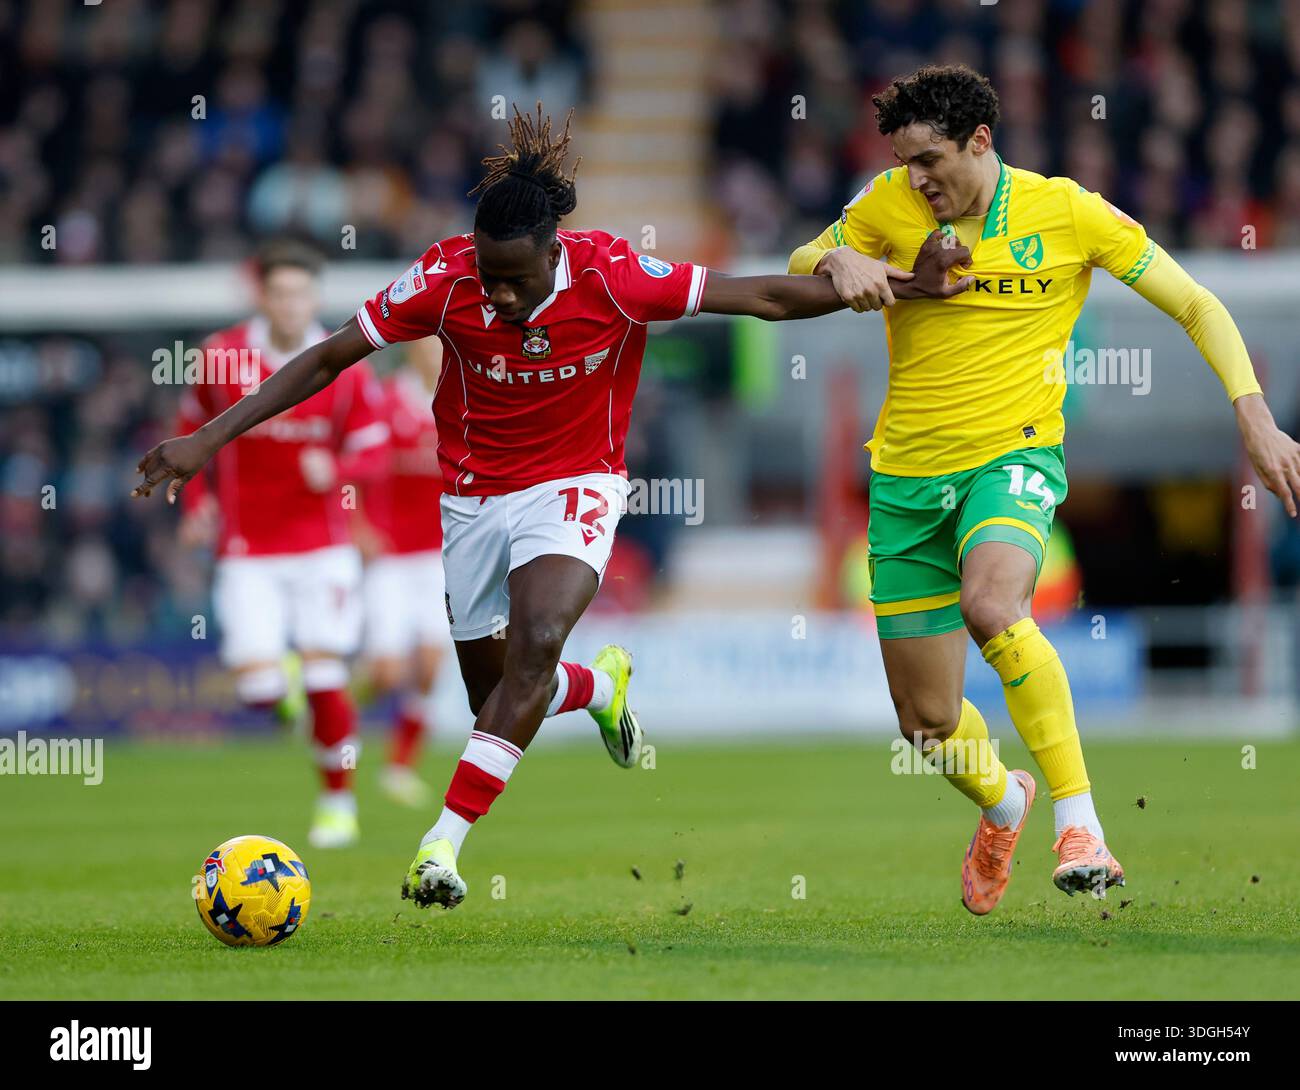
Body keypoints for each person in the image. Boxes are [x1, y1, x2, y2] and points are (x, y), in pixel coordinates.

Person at [134, 104, 970, 910]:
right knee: (493, 695)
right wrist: (206, 440)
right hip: (471, 497)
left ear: (552, 252)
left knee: (534, 644)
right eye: (488, 278)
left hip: (576, 484)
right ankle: (597, 688)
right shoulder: (444, 280)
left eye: (514, 279)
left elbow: (760, 297)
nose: (497, 297)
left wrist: (913, 288)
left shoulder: (614, 274)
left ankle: (441, 846)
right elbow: (326, 359)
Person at [789, 64, 1300, 914]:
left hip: (1014, 457)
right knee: (925, 722)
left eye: (929, 162)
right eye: (906, 164)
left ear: (980, 142)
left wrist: (1254, 416)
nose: (917, 181)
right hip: (906, 477)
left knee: (995, 608)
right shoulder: (886, 202)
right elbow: (807, 258)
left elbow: (1198, 303)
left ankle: (1080, 824)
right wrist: (837, 256)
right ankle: (1004, 802)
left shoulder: (1066, 210)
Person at [174, 239, 389, 850]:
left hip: (323, 547)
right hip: (248, 549)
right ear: (262, 295)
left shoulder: (345, 361)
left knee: (326, 676)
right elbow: (192, 432)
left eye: (302, 292)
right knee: (258, 691)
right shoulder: (222, 355)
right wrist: (196, 502)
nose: (292, 303)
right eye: (280, 292)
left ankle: (338, 803)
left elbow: (375, 450)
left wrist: (340, 473)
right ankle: (285, 688)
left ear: (314, 297)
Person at [351, 337, 451, 808]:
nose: (435, 357)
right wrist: (358, 525)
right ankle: (343, 705)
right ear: (411, 353)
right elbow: (354, 471)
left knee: (430, 666)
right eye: (427, 349)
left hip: (440, 555)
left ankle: (399, 768)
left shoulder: (463, 400)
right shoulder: (385, 401)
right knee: (389, 673)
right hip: (389, 556)